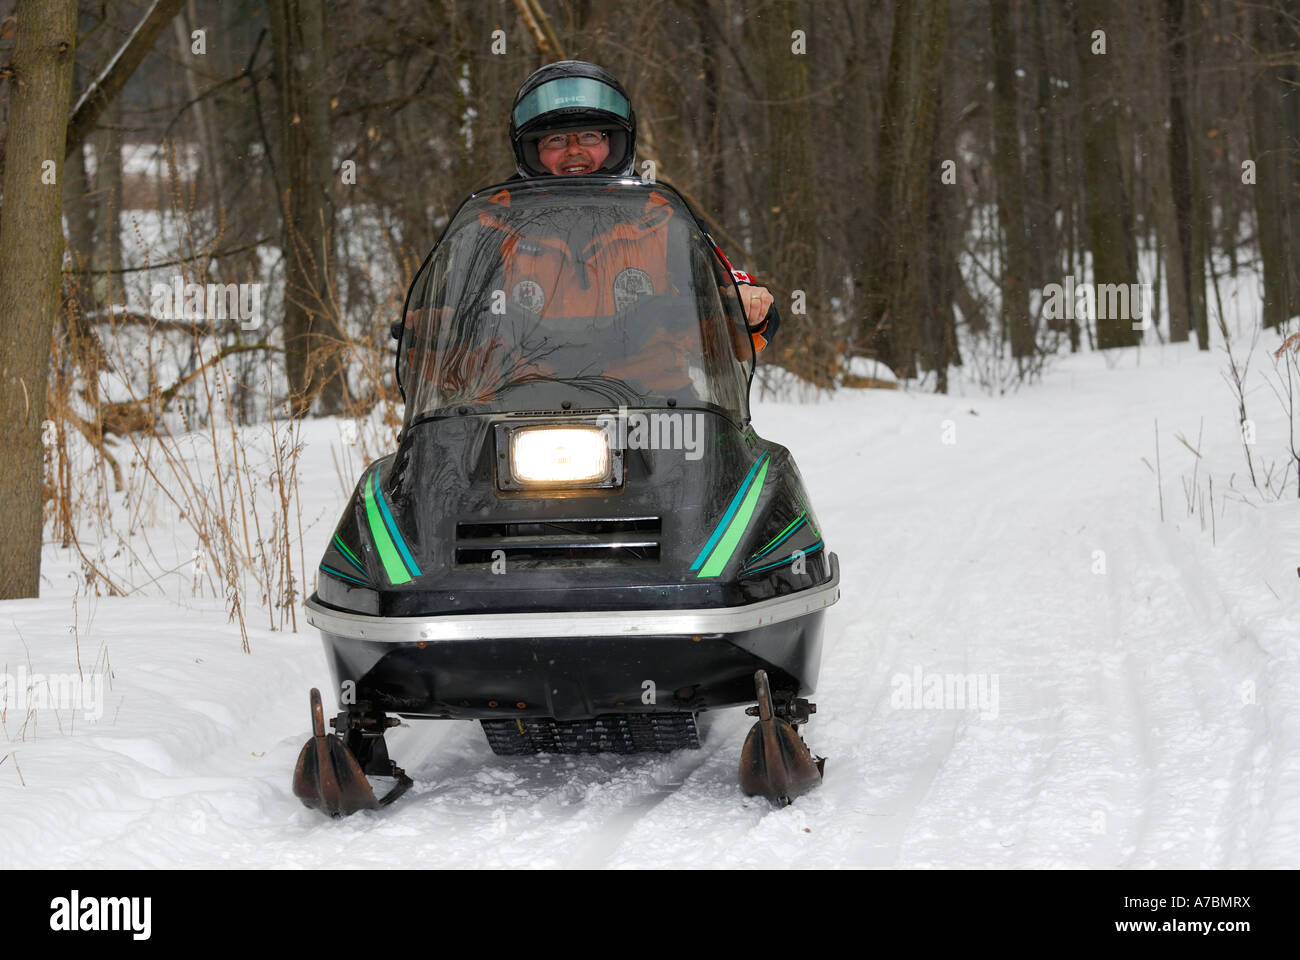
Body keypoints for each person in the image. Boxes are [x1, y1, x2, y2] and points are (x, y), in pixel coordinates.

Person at [505, 59, 779, 354]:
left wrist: (748, 308)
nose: (574, 150)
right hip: (525, 389)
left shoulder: (663, 218)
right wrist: (448, 319)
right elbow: (455, 323)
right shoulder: (493, 223)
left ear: (614, 141)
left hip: (652, 394)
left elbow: (724, 305)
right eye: (555, 139)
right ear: (533, 150)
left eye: (589, 136)